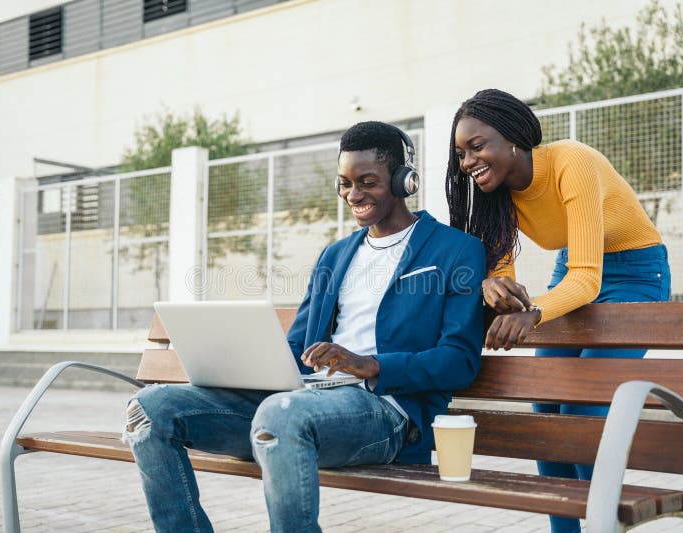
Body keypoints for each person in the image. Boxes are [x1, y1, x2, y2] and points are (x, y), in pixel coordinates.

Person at [124, 121, 486, 532]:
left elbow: (459, 360)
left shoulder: (455, 250)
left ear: (404, 181)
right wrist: (243, 361)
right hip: (304, 400)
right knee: (150, 409)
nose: (354, 195)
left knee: (282, 415)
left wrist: (371, 365)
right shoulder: (335, 255)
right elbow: (298, 345)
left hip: (387, 412)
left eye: (368, 181)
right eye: (345, 184)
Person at [446, 88, 671, 533]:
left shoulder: (573, 162)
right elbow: (507, 271)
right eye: (461, 153)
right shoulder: (496, 194)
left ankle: (603, 524)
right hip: (570, 271)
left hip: (635, 274)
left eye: (477, 146)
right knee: (546, 408)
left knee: (583, 410)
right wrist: (494, 287)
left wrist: (533, 314)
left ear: (513, 138)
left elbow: (588, 279)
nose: (468, 161)